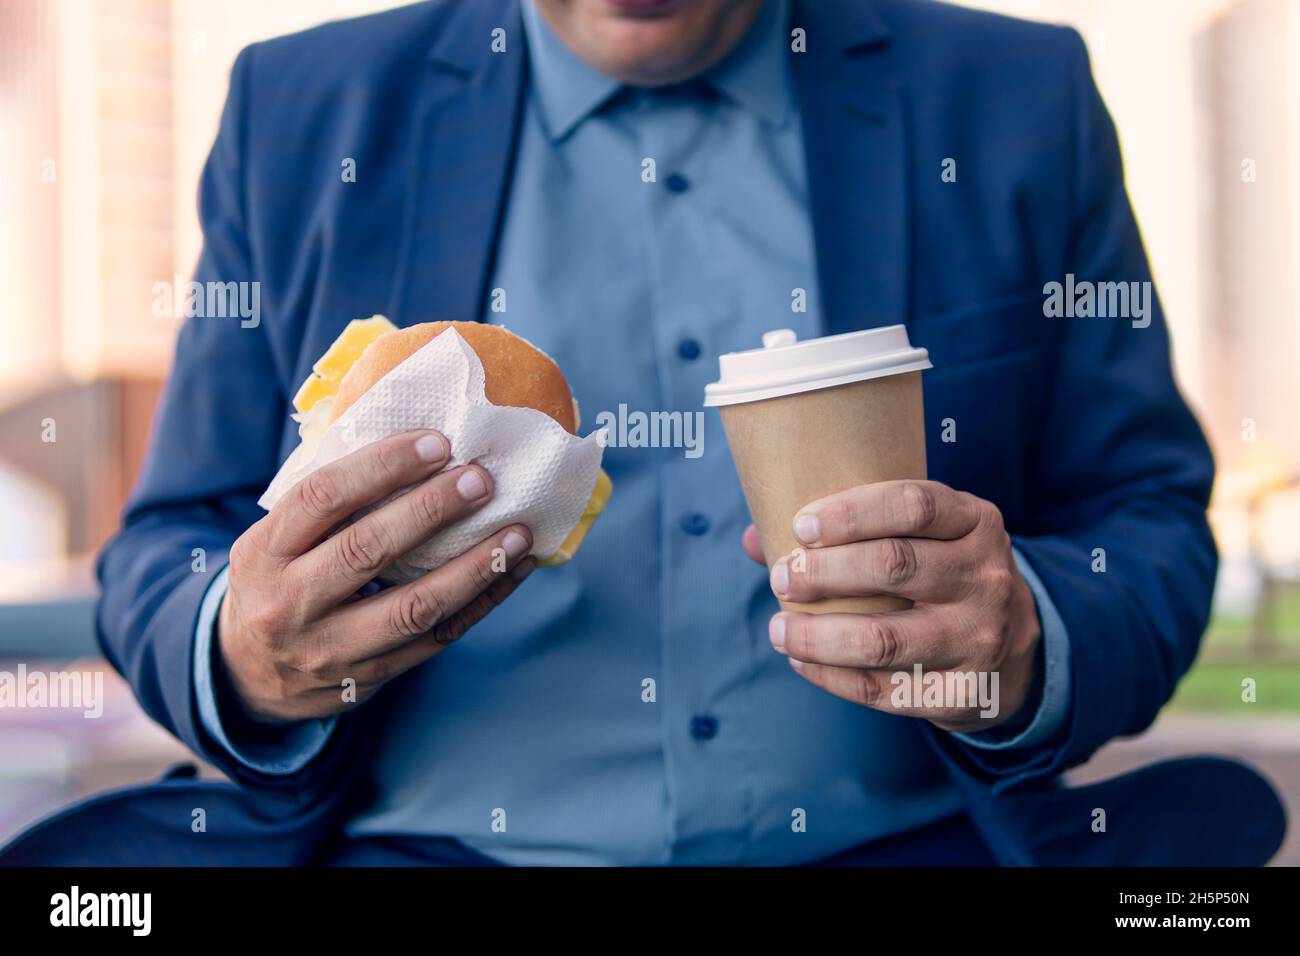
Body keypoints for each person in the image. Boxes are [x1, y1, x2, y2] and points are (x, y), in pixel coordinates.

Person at [3, 0, 1284, 866]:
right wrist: (243, 651)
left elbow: (1147, 519)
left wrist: (1026, 640)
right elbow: (169, 539)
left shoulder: (1012, 96)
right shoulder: (304, 108)